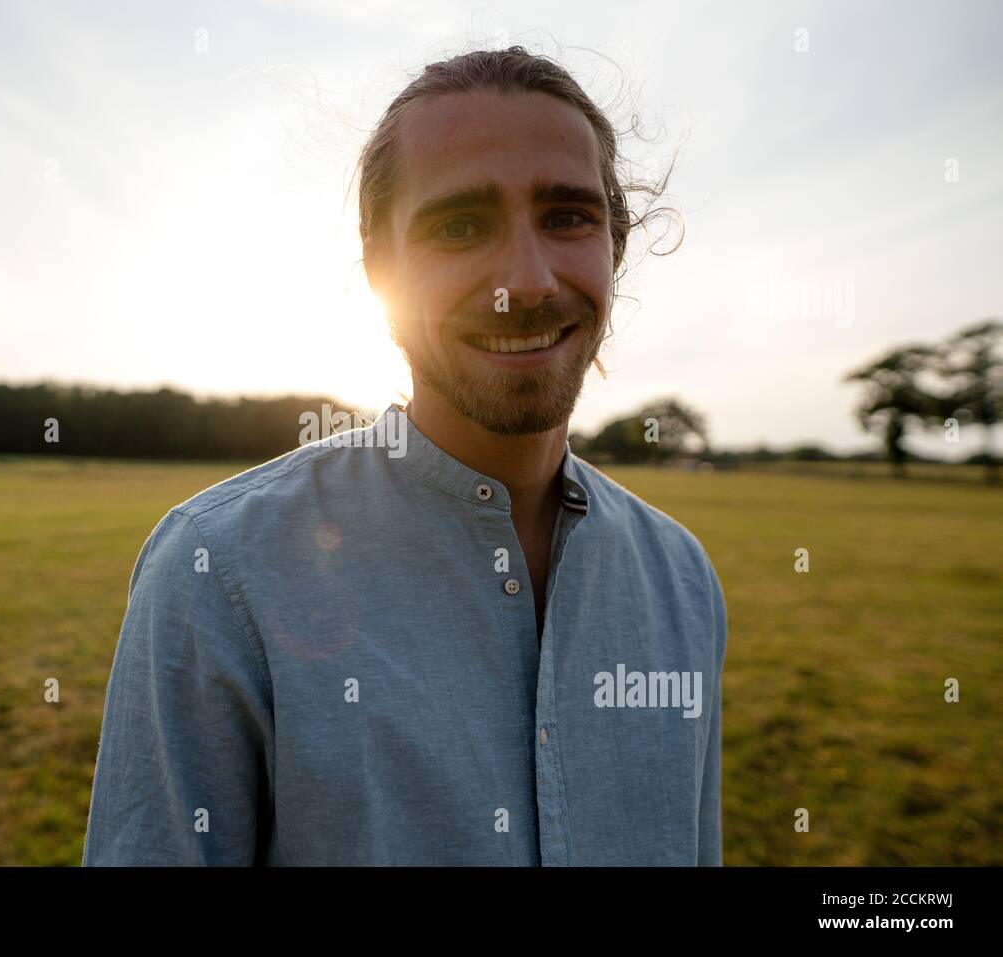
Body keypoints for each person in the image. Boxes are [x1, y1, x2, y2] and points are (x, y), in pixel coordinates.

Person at [83, 46, 727, 866]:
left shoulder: (683, 581)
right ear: (380, 268)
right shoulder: (216, 568)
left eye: (568, 216)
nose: (524, 282)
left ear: (615, 245)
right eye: (459, 225)